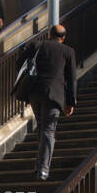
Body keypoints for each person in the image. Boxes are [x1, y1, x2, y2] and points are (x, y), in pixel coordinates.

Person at [23, 23, 77, 181]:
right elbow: (72, 78)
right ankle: (43, 170)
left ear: (49, 34)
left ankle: (39, 166)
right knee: (48, 130)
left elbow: (21, 62)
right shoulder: (68, 51)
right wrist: (70, 102)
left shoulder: (36, 45)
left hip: (34, 91)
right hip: (54, 95)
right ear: (63, 37)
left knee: (42, 128)